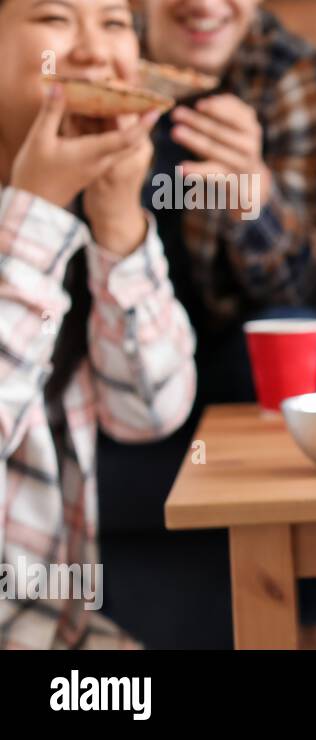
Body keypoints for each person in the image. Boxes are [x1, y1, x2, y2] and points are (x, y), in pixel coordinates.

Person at [94, 0, 316, 648]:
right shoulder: (95, 63)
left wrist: (255, 197)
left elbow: (302, 284)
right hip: (112, 358)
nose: (204, 5)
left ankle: (311, 617)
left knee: (299, 326)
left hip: (230, 354)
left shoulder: (285, 71)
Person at [0, 0, 196, 648]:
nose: (94, 51)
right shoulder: (43, 216)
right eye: (56, 18)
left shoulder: (87, 204)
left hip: (46, 622)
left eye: (114, 23)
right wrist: (33, 213)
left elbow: (150, 412)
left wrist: (118, 224)